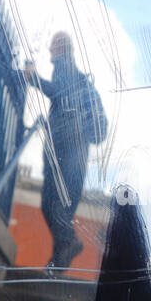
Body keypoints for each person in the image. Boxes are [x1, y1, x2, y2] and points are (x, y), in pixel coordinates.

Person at [22, 32, 95, 271]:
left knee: (52, 205)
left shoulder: (64, 68)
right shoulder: (81, 78)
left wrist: (33, 78)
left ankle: (68, 247)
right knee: (60, 208)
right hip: (75, 152)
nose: (50, 48)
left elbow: (58, 92)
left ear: (61, 46)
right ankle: (58, 263)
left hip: (66, 150)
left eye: (53, 44)